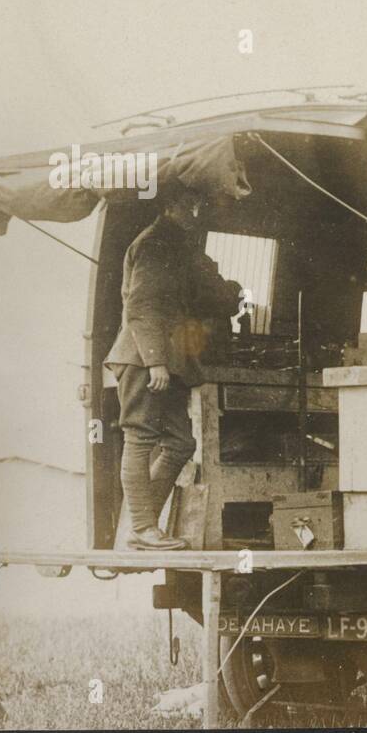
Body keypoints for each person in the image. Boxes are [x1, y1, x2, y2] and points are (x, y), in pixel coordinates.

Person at [105, 186, 242, 550]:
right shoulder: (156, 244)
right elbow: (142, 306)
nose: (196, 212)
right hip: (144, 359)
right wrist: (156, 361)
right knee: (139, 437)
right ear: (171, 207)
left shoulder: (177, 245)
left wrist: (229, 291)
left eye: (197, 205)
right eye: (190, 205)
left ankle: (142, 525)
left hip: (168, 361)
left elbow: (202, 293)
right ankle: (143, 526)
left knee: (181, 443)